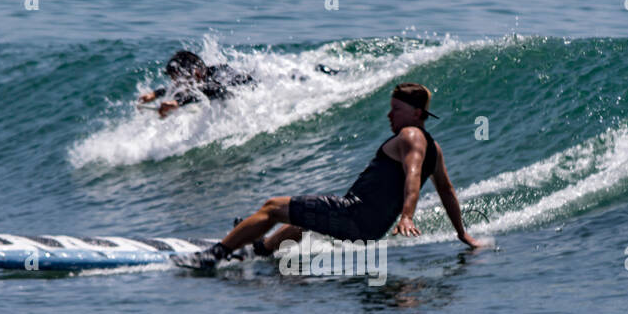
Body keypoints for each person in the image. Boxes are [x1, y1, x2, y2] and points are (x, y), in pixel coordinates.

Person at [172, 83, 481, 269]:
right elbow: (447, 191)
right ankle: (262, 249)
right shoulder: (434, 147)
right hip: (370, 228)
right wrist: (461, 233)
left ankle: (214, 255)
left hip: (355, 213)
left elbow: (413, 178)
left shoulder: (411, 136)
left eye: (396, 110)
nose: (389, 115)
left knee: (271, 207)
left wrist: (408, 216)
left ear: (416, 114)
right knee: (304, 217)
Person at [138, 50, 254, 117]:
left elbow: (215, 90)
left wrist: (177, 102)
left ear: (196, 73)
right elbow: (188, 90)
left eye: (179, 80)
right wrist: (155, 94)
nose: (178, 85)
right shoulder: (207, 76)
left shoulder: (219, 75)